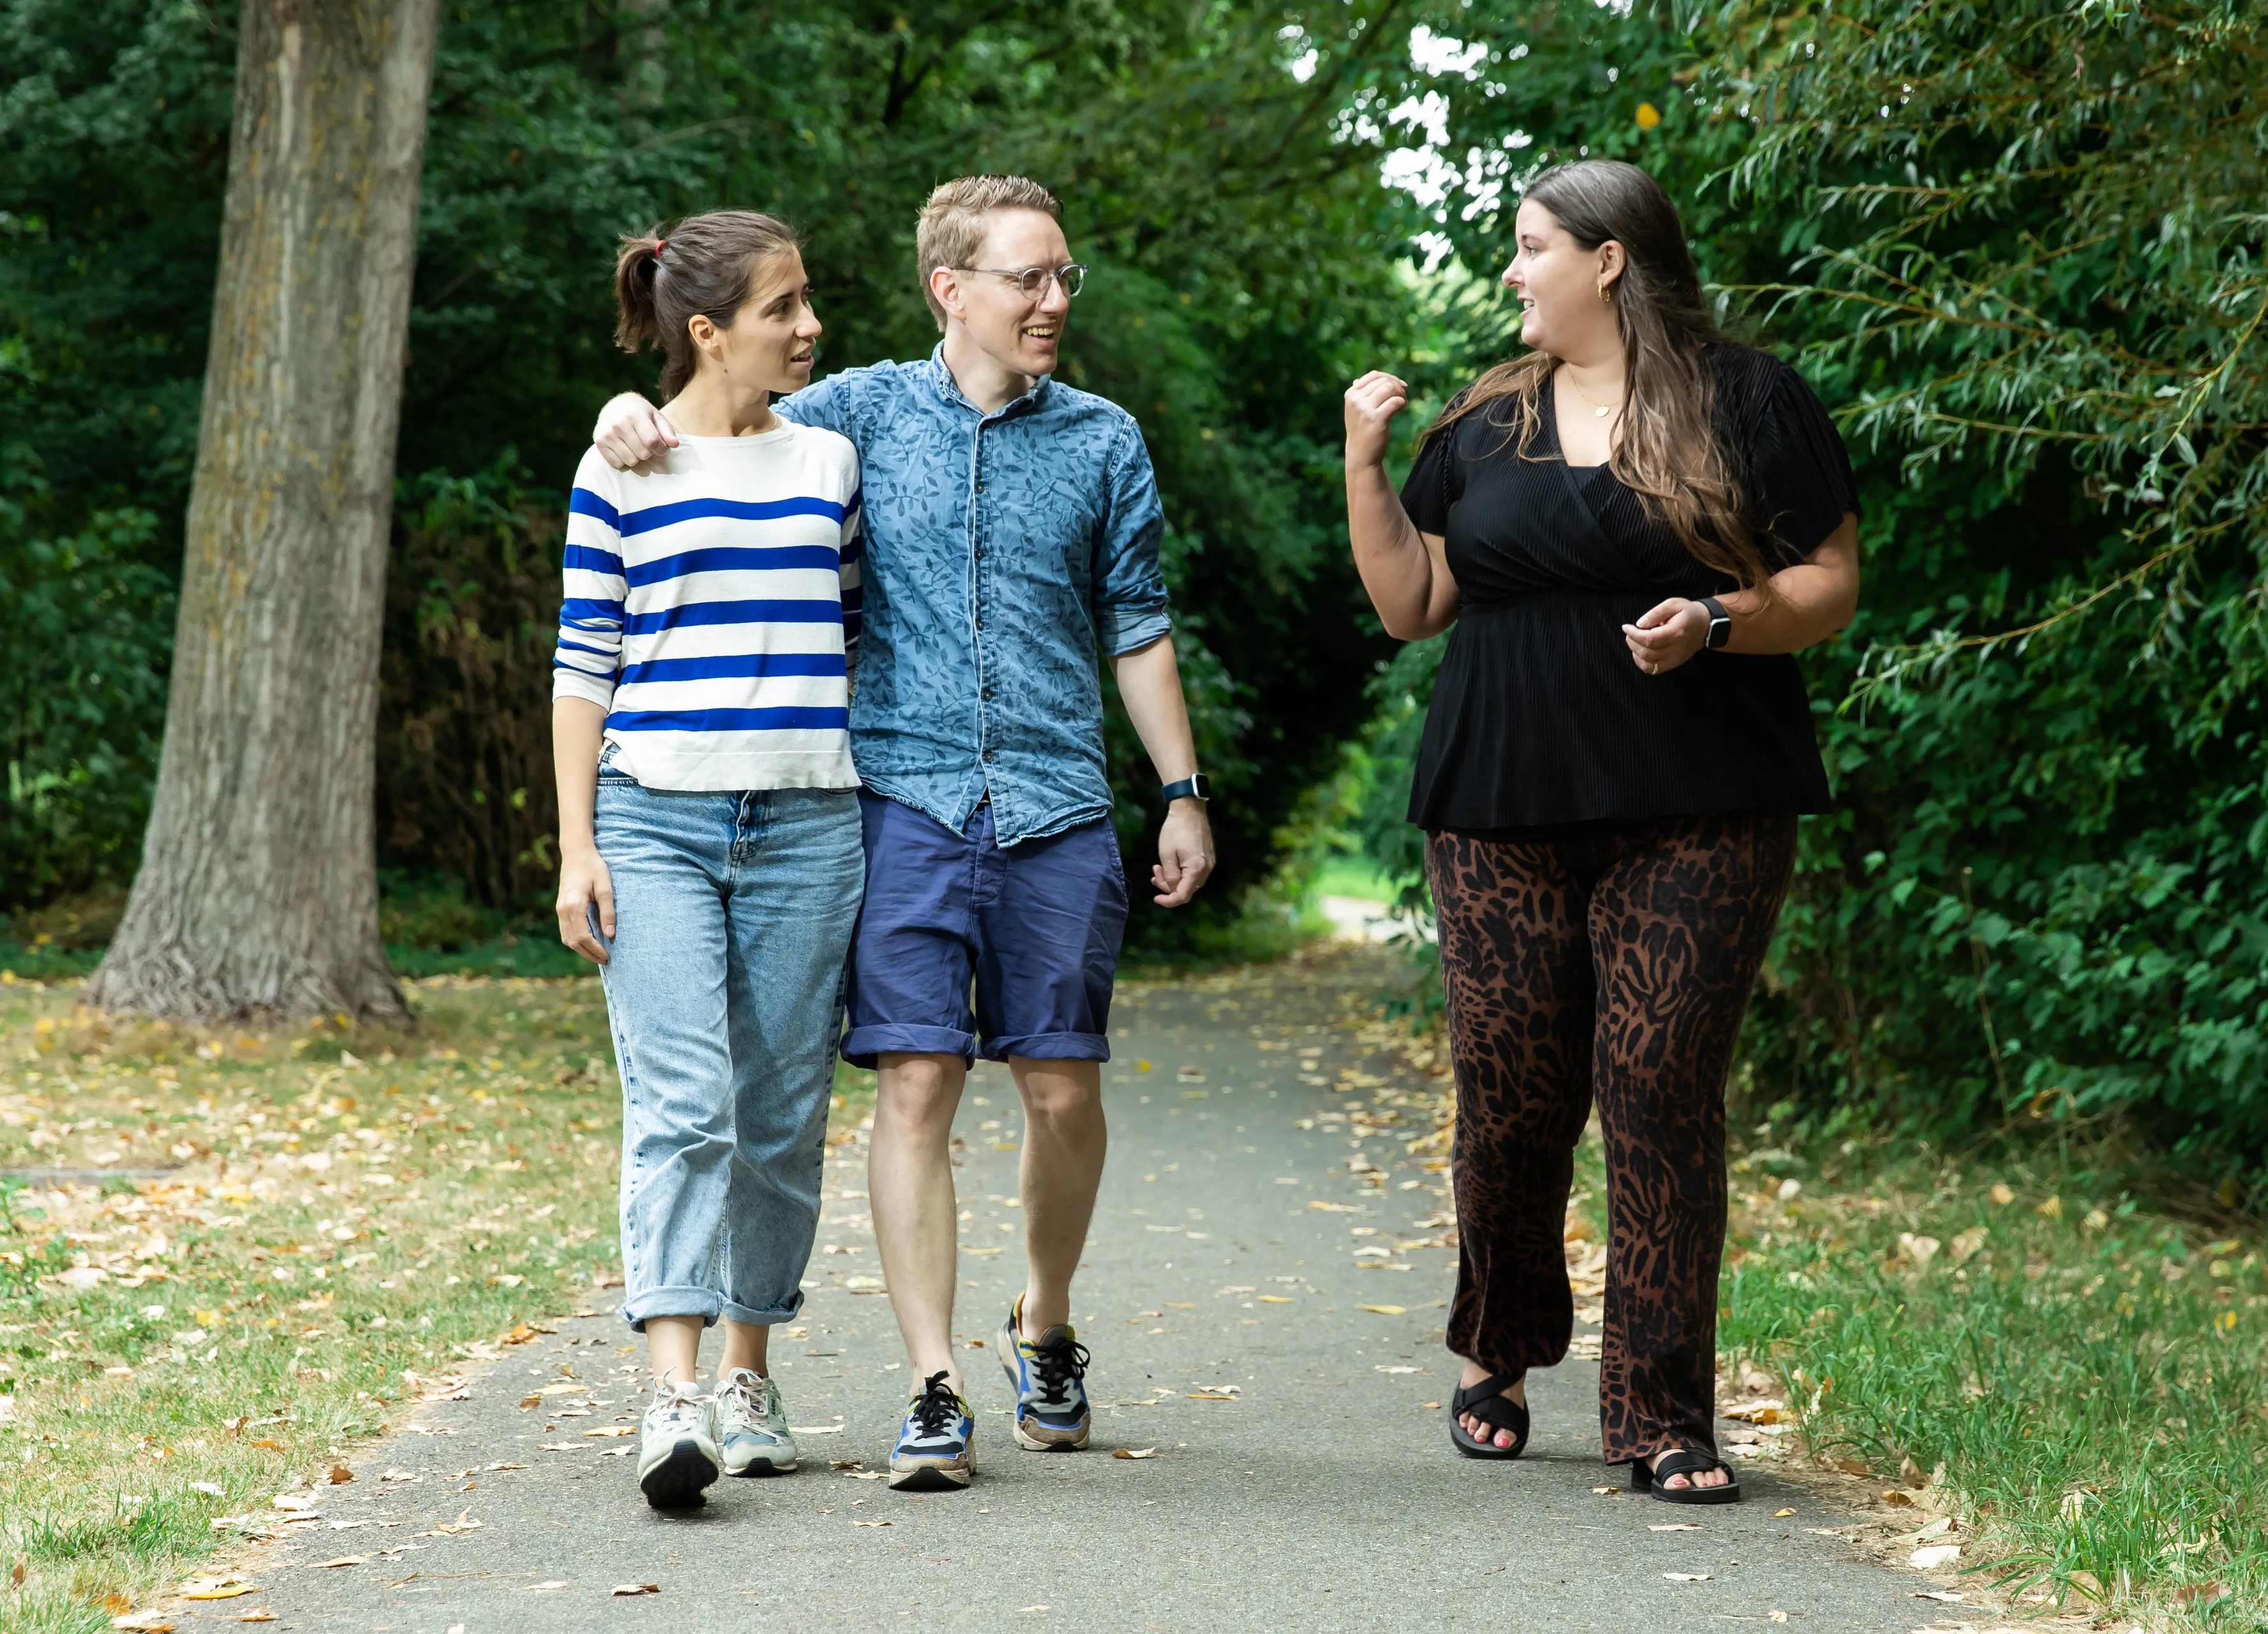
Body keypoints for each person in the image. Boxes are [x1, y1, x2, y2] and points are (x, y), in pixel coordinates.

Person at [590, 175, 1216, 1492]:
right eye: (1027, 279)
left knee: (1061, 1091)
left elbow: (1138, 626)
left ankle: (1043, 1319)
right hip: (901, 800)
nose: (1053, 302)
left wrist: (1180, 788)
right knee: (914, 1082)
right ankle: (932, 1382)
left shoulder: (1104, 439)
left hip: (1054, 803)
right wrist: (625, 408)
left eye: (1062, 280)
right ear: (953, 288)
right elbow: (719, 426)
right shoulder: (856, 413)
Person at [1343, 160, 1861, 1504]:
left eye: (1529, 247)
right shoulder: (1485, 422)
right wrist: (1365, 468)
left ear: (1609, 259)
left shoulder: (1750, 401)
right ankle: (1499, 1343)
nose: (1510, 272)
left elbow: (1826, 582)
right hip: (1497, 806)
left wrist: (1721, 621)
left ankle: (1660, 1410)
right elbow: (1414, 601)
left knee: (1659, 1093)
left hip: (1702, 805)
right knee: (1514, 1104)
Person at [552, 209, 867, 1510]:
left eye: (805, 301)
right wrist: (575, 844)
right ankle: (669, 1393)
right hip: (655, 821)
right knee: (683, 1105)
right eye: (783, 306)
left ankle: (747, 1371)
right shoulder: (622, 465)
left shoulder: (832, 460)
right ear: (707, 329)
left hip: (807, 823)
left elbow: (851, 632)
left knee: (781, 1116)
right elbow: (583, 663)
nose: (808, 325)